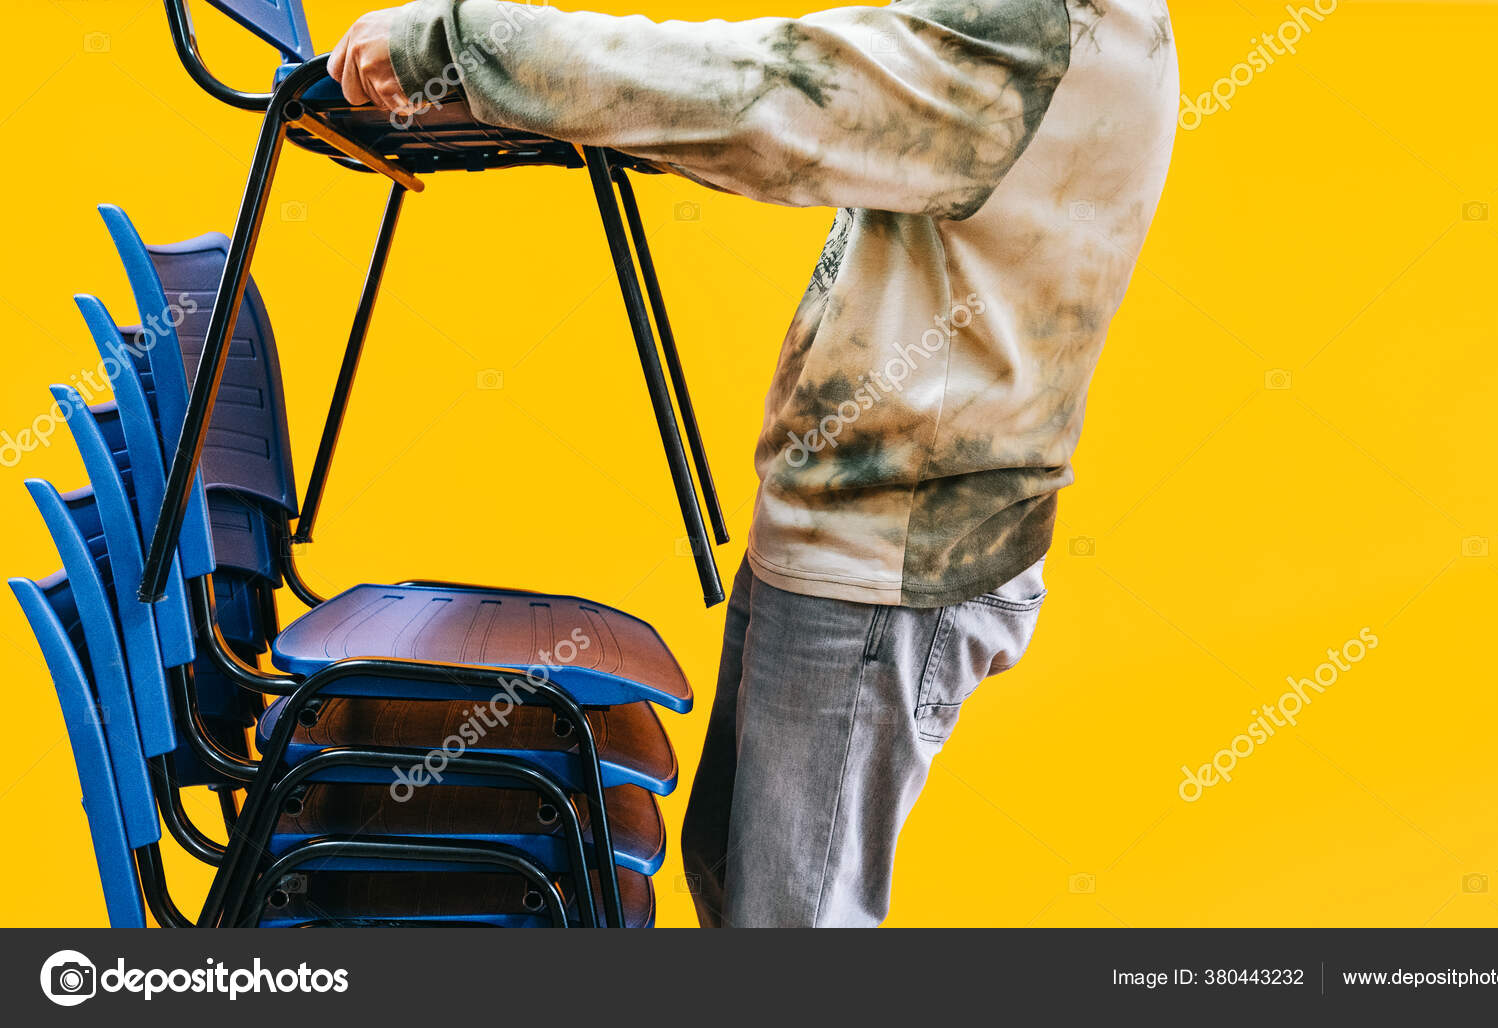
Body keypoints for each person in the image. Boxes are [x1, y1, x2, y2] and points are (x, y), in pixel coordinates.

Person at [331, 0, 1178, 927]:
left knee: (784, 927)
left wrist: (453, 43)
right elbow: (789, 119)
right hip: (865, 536)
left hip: (883, 556)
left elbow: (765, 94)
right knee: (748, 898)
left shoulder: (1026, 29)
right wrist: (556, 102)